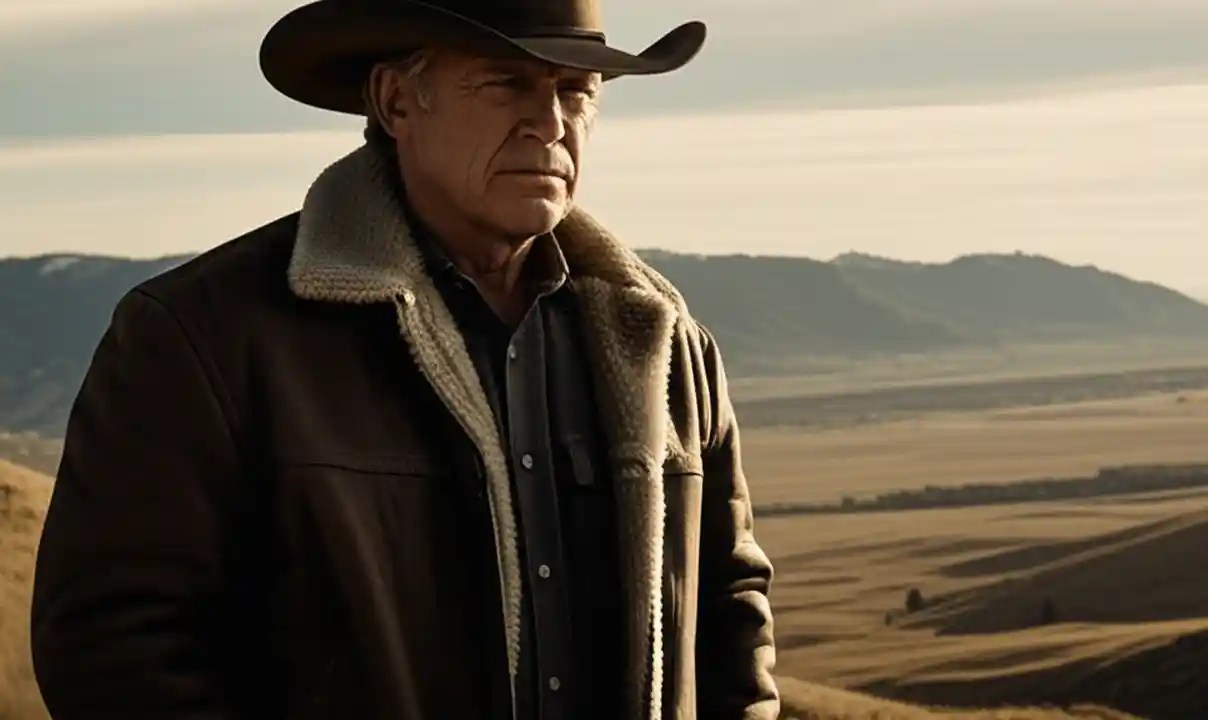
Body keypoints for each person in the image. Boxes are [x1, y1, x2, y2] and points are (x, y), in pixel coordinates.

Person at [30, 1, 779, 718]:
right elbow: (113, 652)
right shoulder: (205, 337)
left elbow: (730, 611)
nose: (550, 124)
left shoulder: (666, 345)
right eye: (504, 82)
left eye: (577, 91)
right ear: (395, 102)